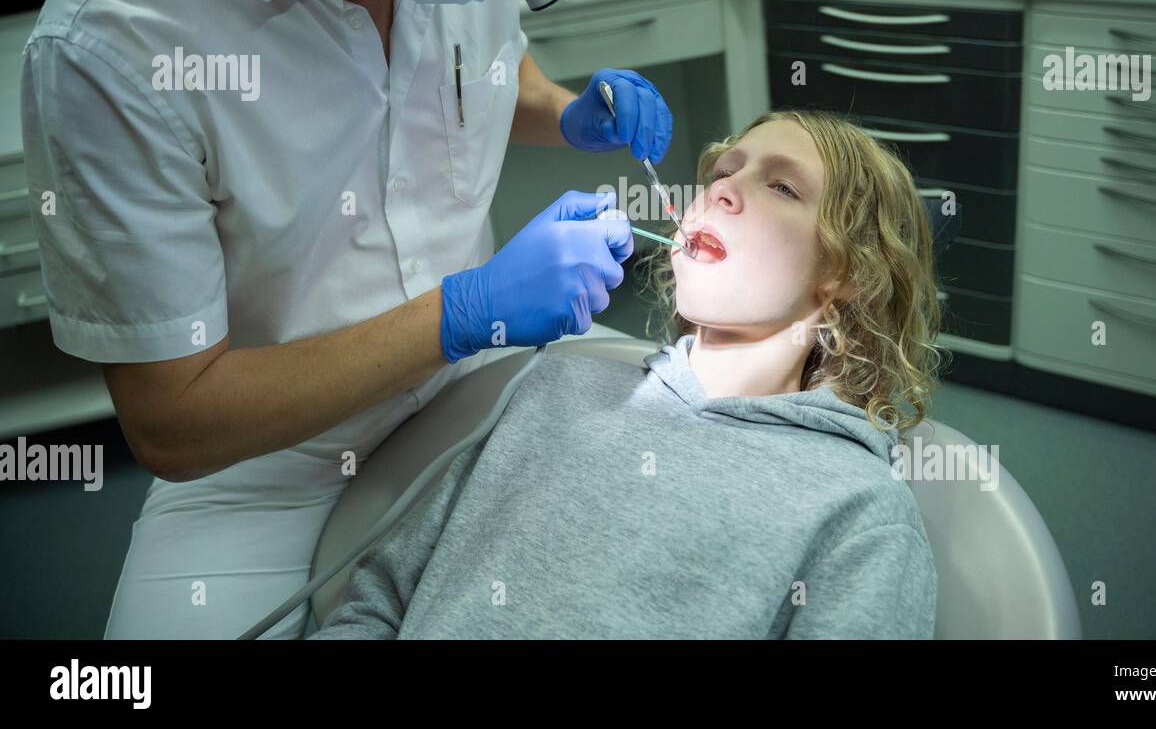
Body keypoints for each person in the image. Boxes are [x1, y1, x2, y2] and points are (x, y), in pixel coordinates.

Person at [19, 0, 669, 638]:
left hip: (491, 381)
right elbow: (175, 424)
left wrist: (566, 112)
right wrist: (462, 313)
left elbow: (483, 71)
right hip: (269, 470)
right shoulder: (115, 44)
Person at [310, 110, 945, 639]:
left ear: (851, 272)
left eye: (782, 187)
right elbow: (380, 602)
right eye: (724, 172)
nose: (723, 189)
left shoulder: (858, 508)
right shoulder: (552, 388)